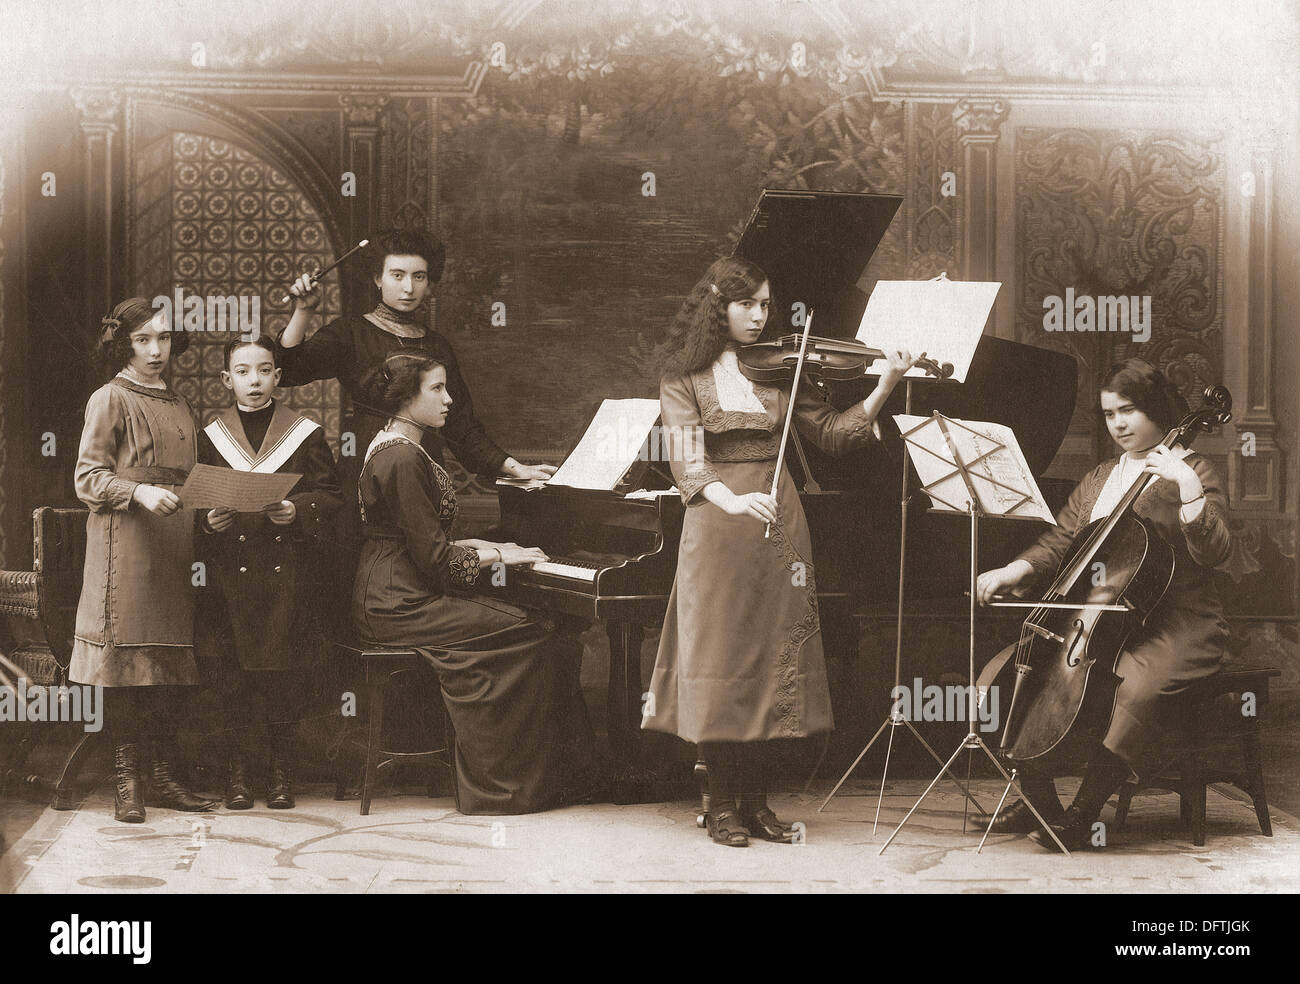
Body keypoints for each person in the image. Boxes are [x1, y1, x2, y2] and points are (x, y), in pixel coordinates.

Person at [642, 256, 918, 847]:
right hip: (717, 527)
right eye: (748, 304)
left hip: (781, 525)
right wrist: (732, 502)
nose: (760, 316)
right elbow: (687, 459)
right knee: (722, 662)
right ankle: (720, 805)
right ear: (719, 304)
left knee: (772, 662)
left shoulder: (778, 371)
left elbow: (837, 436)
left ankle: (758, 804)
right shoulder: (681, 375)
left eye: (766, 305)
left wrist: (885, 385)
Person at [975, 358, 1231, 851]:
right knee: (1010, 672)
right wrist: (1014, 570)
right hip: (1103, 615)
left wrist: (1190, 490)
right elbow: (1062, 541)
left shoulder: (1195, 468)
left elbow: (1215, 552)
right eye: (1110, 414)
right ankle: (1037, 800)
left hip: (1179, 621)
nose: (1118, 424)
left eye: (1129, 410)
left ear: (1155, 407)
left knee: (1133, 688)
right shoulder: (1099, 477)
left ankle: (1083, 813)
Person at [351, 352, 591, 814]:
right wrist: (503, 554)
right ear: (406, 398)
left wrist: (497, 549)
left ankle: (535, 772)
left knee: (536, 625)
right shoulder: (402, 457)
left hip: (394, 590)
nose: (449, 399)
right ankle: (503, 784)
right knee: (533, 626)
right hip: (397, 604)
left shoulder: (399, 443)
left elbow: (424, 538)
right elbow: (438, 560)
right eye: (437, 389)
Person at [277, 227, 554, 536]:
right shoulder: (350, 333)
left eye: (419, 276)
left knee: (423, 560)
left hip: (423, 472)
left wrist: (517, 468)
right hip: (363, 473)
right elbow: (288, 372)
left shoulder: (438, 346)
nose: (408, 287)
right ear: (377, 279)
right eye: (397, 275)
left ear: (429, 283)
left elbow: (462, 427)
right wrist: (303, 311)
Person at [71, 298, 218, 822]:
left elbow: (187, 480)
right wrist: (138, 494)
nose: (157, 350)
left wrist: (208, 515)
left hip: (174, 546)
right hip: (126, 544)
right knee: (128, 667)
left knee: (165, 666)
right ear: (123, 344)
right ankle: (127, 781)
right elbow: (87, 477)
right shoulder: (108, 398)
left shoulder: (179, 403)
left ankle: (161, 777)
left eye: (164, 339)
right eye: (143, 340)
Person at [196, 336, 343, 810]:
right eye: (243, 371)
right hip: (229, 577)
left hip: (287, 574)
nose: (254, 381)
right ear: (227, 379)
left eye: (264, 370)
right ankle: (239, 773)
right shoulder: (211, 435)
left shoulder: (306, 433)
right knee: (232, 674)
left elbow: (332, 498)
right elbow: (195, 499)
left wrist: (297, 510)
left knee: (285, 675)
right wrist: (208, 520)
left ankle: (281, 772)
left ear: (278, 377)